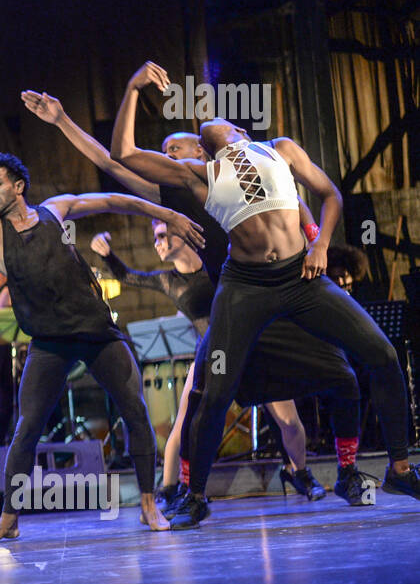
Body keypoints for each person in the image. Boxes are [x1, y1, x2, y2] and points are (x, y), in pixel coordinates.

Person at [26, 79, 368, 509]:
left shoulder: (257, 176)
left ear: (204, 152)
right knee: (194, 403)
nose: (166, 155)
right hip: (234, 312)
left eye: (175, 149)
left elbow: (310, 214)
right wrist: (62, 121)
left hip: (279, 302)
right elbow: (112, 161)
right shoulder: (181, 189)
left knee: (306, 402)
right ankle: (181, 491)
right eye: (164, 151)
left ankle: (321, 473)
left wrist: (317, 248)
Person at [106, 78, 420, 526]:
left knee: (382, 353)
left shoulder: (281, 149)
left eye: (221, 122)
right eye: (202, 132)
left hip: (302, 276)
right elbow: (123, 153)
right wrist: (134, 89)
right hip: (245, 287)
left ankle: (399, 469)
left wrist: (321, 245)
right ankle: (195, 495)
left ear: (239, 131)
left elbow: (330, 194)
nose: (211, 126)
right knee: (215, 391)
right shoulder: (202, 173)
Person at [0, 154, 197, 541]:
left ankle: (149, 505)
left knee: (135, 409)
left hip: (98, 333)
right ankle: (9, 518)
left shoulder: (56, 211)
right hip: (49, 342)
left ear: (19, 186)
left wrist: (171, 215)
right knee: (27, 427)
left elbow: (116, 201)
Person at [90, 227, 325, 501]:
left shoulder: (217, 265)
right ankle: (169, 489)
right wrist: (107, 255)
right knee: (184, 424)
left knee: (289, 421)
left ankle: (299, 472)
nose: (157, 243)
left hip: (250, 345)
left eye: (163, 235)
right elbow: (127, 275)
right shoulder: (168, 281)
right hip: (212, 354)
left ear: (183, 234)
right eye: (154, 237)